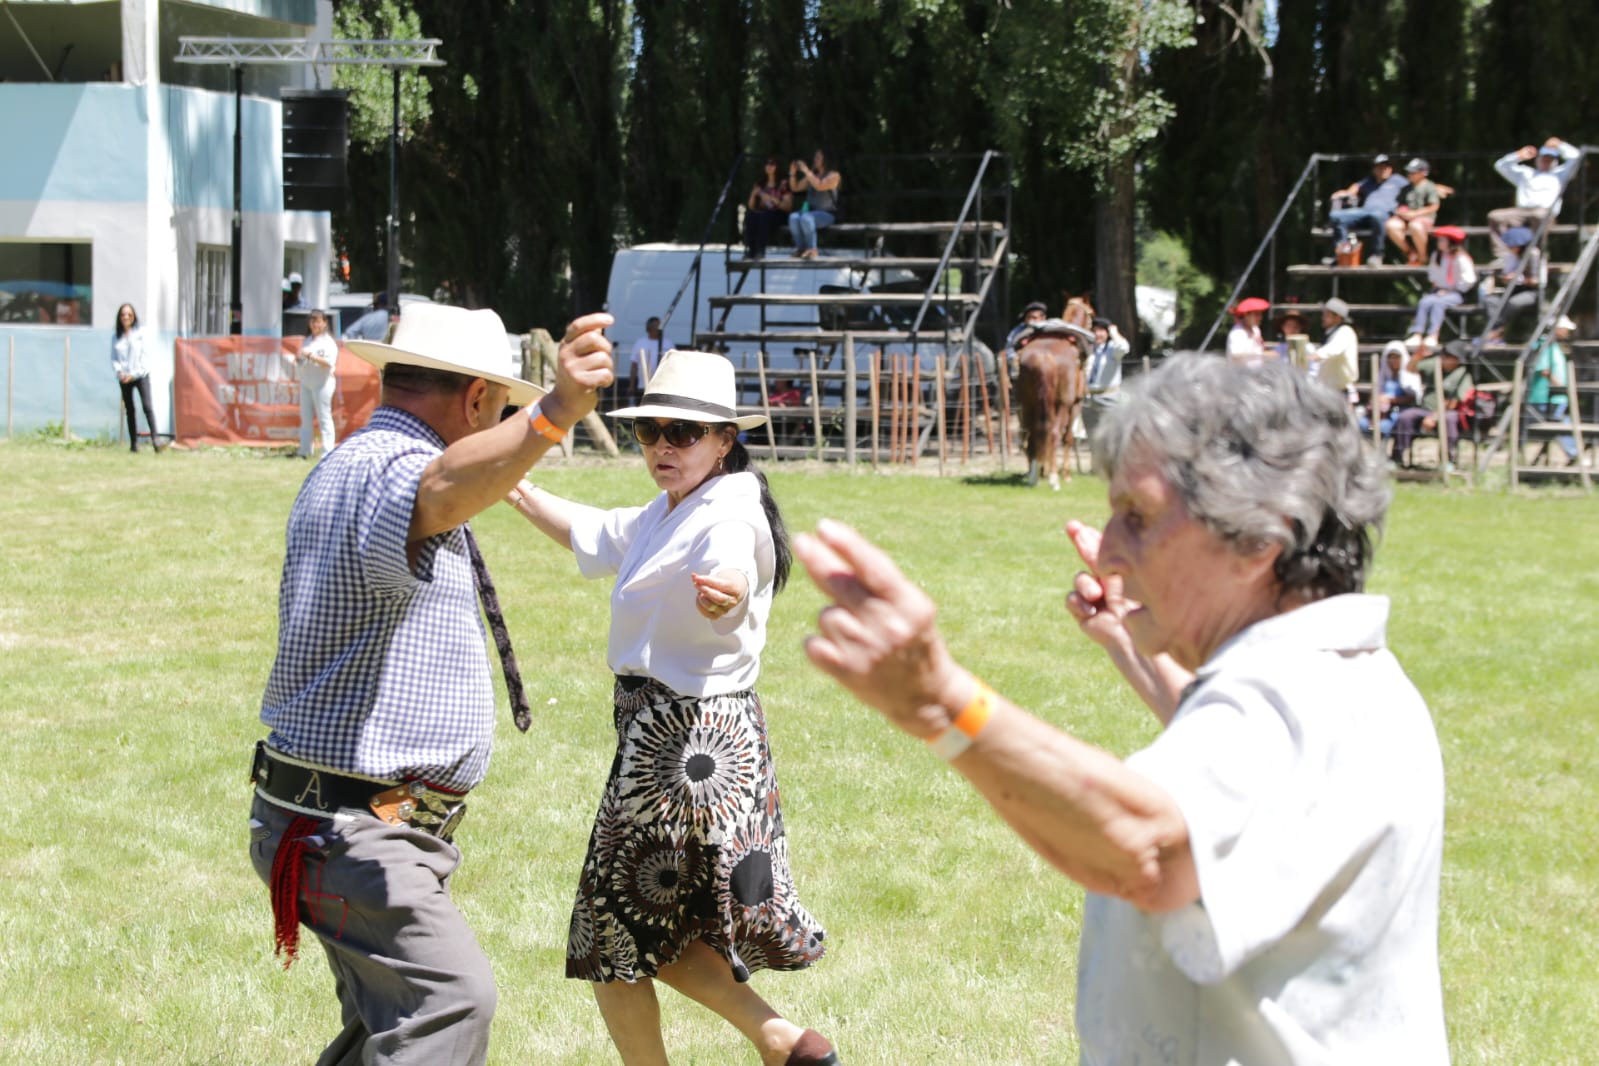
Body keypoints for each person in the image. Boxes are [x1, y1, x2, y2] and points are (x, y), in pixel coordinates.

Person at [792, 356, 1446, 1064]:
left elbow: (1149, 849)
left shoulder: (1293, 694)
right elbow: (1231, 761)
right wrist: (1125, 639)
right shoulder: (1342, 674)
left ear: (1260, 537)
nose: (1107, 550)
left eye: (1138, 515)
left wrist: (943, 703)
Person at [248, 303, 614, 1066]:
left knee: (389, 1027)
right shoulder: (391, 466)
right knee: (449, 1002)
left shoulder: (357, 459)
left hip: (339, 821)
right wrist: (554, 412)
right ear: (477, 399)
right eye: (501, 408)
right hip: (352, 832)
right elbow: (442, 484)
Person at [503, 349, 837, 1066]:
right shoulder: (671, 508)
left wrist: (729, 594)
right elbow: (593, 532)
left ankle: (779, 1042)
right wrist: (508, 481)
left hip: (681, 744)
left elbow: (732, 568)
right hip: (685, 741)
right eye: (649, 430)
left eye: (683, 433)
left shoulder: (730, 510)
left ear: (724, 440)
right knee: (656, 930)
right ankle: (786, 1045)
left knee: (612, 934)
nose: (662, 445)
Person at [1488, 137, 1581, 265]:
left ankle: (1538, 253)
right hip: (1521, 212)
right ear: (1538, 159)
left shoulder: (1560, 175)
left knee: (1538, 215)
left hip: (1545, 213)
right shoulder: (1526, 173)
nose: (1546, 161)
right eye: (1544, 158)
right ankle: (1503, 255)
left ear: (1555, 161)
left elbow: (1576, 157)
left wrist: (1560, 145)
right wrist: (1518, 156)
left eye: (1550, 159)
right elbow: (1500, 166)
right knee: (1495, 216)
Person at [1393, 339, 1473, 468]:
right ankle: (1397, 458)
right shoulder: (1436, 364)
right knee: (1405, 416)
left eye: (1448, 356)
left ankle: (1448, 460)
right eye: (1444, 354)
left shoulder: (1462, 374)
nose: (1444, 357)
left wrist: (1434, 417)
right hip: (1424, 409)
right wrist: (1417, 356)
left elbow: (1454, 403)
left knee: (1449, 419)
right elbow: (1410, 369)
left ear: (1457, 360)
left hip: (1446, 412)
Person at [1404, 226, 1476, 351]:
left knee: (1439, 304)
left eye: (1442, 240)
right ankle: (1417, 333)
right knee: (1425, 302)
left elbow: (1469, 279)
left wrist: (1452, 289)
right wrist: (1437, 286)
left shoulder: (1461, 258)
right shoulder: (1436, 256)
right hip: (1439, 290)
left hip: (1456, 293)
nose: (1439, 243)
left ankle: (1433, 334)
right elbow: (1432, 274)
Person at [1328, 154, 1408, 264]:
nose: (1383, 169)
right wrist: (1346, 192)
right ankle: (1342, 252)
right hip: (1365, 212)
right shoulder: (1369, 181)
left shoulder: (1398, 180)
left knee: (1377, 216)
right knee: (1336, 216)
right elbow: (1356, 187)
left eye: (1386, 167)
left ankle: (1377, 254)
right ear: (1374, 169)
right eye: (1380, 167)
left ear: (1390, 169)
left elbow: (1413, 188)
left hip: (1384, 214)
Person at [1525, 315, 1582, 465]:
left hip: (1557, 396)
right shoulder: (1545, 345)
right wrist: (1560, 387)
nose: (1567, 332)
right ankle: (1574, 454)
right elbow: (1544, 369)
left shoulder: (1554, 346)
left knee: (1559, 426)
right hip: (1546, 396)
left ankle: (1572, 455)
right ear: (1557, 329)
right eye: (1565, 329)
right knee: (1560, 425)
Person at [111, 302, 161, 453]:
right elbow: (114, 358)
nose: (126, 317)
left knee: (147, 407)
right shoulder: (116, 336)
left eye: (129, 314)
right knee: (130, 409)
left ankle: (156, 440)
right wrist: (120, 372)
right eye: (123, 314)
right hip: (124, 377)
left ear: (133, 316)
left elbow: (145, 357)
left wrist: (134, 375)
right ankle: (134, 444)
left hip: (140, 375)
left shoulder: (141, 333)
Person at [291, 308, 339, 460]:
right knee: (305, 418)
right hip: (307, 381)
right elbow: (302, 359)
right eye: (312, 321)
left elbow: (329, 363)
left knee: (324, 417)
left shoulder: (328, 342)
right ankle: (305, 450)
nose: (314, 324)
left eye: (318, 321)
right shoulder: (308, 340)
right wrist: (299, 359)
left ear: (324, 323)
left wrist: (311, 356)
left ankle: (327, 452)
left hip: (323, 383)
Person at [1483, 226, 1544, 343]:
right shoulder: (1510, 255)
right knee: (1490, 300)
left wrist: (1519, 279)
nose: (1509, 247)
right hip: (1513, 289)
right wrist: (1507, 278)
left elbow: (1537, 280)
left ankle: (1498, 331)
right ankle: (1495, 331)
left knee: (1514, 302)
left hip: (1530, 291)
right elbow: (1507, 275)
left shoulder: (1534, 255)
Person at [1082, 315, 1128, 457]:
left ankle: (1114, 462)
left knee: (1112, 436)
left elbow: (1124, 348)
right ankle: (1097, 465)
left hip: (1109, 398)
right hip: (1089, 399)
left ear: (1107, 333)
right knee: (1092, 437)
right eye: (1094, 330)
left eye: (1101, 331)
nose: (1097, 334)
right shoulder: (1088, 350)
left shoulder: (1113, 349)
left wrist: (1114, 332)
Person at [1385, 158, 1445, 266]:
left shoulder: (1429, 187)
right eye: (1409, 172)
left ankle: (1422, 257)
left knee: (1415, 226)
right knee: (1391, 225)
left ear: (1423, 173)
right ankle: (1410, 253)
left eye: (1413, 172)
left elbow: (1434, 207)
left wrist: (1415, 214)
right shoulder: (1406, 188)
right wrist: (1402, 212)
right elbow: (1400, 205)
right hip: (1406, 218)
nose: (1409, 174)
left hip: (1423, 218)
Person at [1359, 340, 1422, 439]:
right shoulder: (1383, 375)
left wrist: (1390, 400)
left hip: (1399, 411)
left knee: (1383, 427)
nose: (1393, 361)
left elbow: (1412, 398)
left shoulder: (1409, 375)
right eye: (1391, 357)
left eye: (1396, 357)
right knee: (1362, 423)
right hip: (1379, 411)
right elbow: (1375, 392)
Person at [787, 149, 842, 260]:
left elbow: (820, 186)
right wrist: (792, 173)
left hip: (827, 214)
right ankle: (801, 248)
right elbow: (795, 188)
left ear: (826, 159)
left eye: (818, 157)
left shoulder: (834, 175)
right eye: (815, 157)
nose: (815, 160)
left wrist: (806, 170)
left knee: (806, 218)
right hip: (810, 212)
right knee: (793, 217)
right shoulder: (812, 175)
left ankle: (812, 250)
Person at [1307, 296, 1359, 397]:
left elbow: (1333, 349)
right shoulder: (1331, 334)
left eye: (1327, 315)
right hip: (1329, 391)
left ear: (1338, 318)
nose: (1323, 317)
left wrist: (1314, 356)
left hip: (1341, 392)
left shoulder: (1345, 332)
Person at [745, 157, 793, 259]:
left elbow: (788, 207)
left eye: (772, 164)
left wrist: (772, 199)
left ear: (777, 167)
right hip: (762, 213)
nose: (769, 166)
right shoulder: (760, 184)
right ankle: (751, 251)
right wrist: (753, 194)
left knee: (764, 217)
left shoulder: (783, 184)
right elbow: (751, 206)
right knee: (751, 216)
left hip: (779, 214)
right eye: (767, 164)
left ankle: (760, 251)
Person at [627, 316, 678, 403]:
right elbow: (634, 365)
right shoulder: (640, 343)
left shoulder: (668, 343)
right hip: (643, 385)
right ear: (649, 328)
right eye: (656, 326)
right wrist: (631, 385)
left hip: (662, 386)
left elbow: (674, 365)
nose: (659, 329)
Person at [1004, 300, 1049, 378]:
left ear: (1043, 318)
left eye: (1035, 317)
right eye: (1030, 317)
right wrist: (1012, 357)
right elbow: (1009, 346)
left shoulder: (1050, 328)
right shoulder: (1019, 330)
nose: (1032, 321)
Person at [1225, 297, 1271, 367]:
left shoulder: (1256, 330)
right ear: (1246, 315)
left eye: (1260, 314)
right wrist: (1262, 355)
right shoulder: (1237, 333)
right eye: (1256, 314)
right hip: (1240, 372)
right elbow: (1236, 356)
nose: (1260, 318)